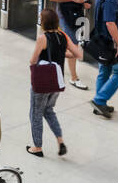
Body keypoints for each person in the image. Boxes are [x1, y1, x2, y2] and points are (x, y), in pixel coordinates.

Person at [27, 8, 80, 157]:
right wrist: (61, 53)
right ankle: (60, 140)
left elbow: (33, 59)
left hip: (43, 81)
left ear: (43, 22)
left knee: (36, 113)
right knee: (48, 110)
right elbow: (77, 54)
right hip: (57, 81)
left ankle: (37, 147)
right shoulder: (62, 35)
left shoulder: (42, 38)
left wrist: (33, 66)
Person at [46, 0, 90, 89]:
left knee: (75, 43)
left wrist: (84, 0)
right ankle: (73, 77)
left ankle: (52, 54)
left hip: (77, 13)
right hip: (65, 15)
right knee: (73, 45)